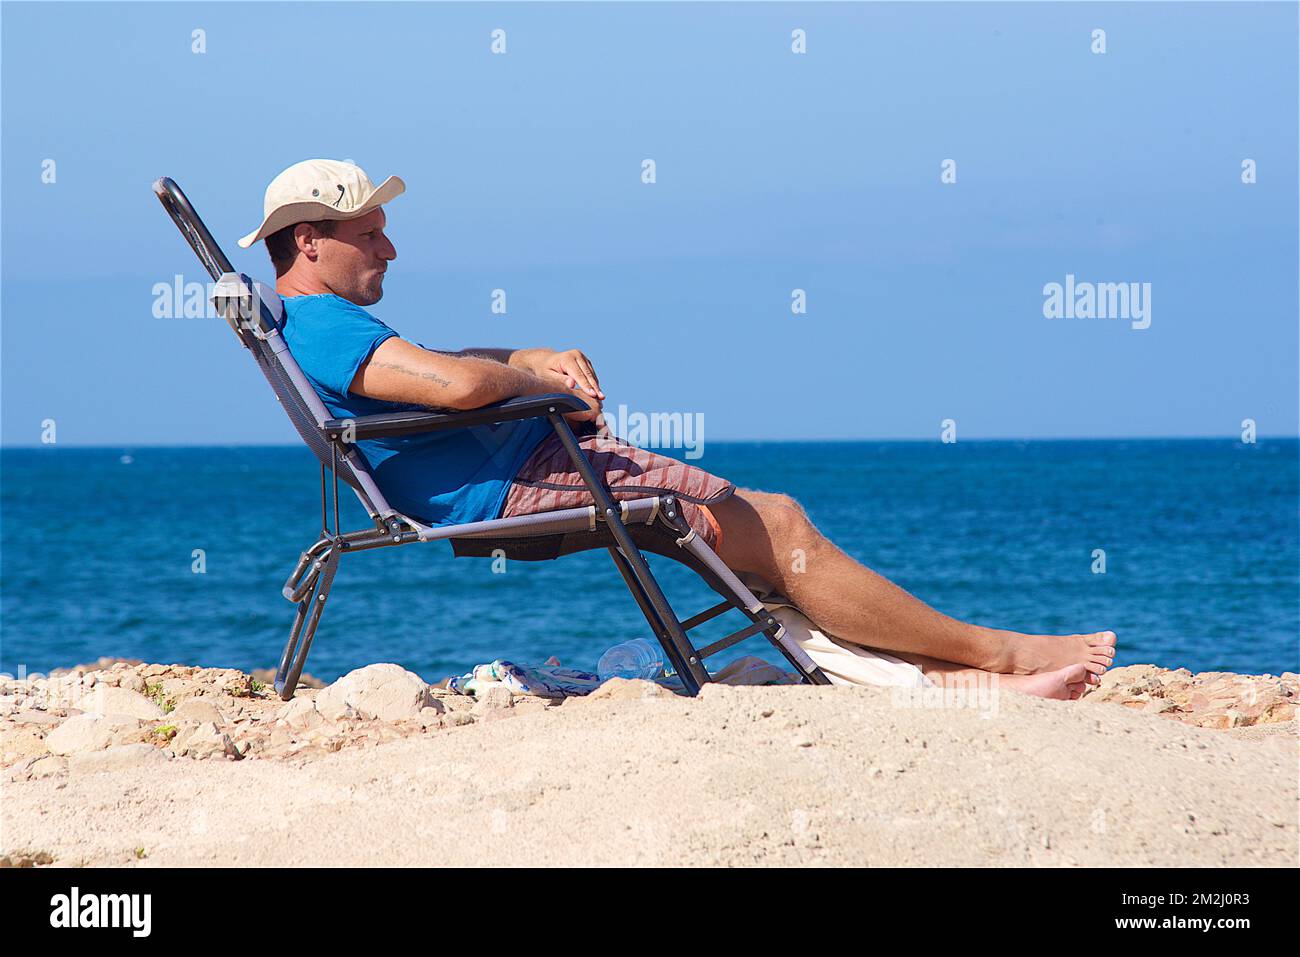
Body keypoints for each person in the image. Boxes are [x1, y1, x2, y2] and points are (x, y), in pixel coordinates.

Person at [238, 159, 1117, 699]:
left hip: (520, 457)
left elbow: (441, 366)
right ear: (310, 242)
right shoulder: (322, 327)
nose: (389, 251)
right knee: (780, 530)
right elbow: (462, 384)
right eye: (371, 235)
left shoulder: (322, 325)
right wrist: (543, 388)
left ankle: (952, 676)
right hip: (521, 475)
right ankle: (998, 655)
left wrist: (532, 355)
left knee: (767, 540)